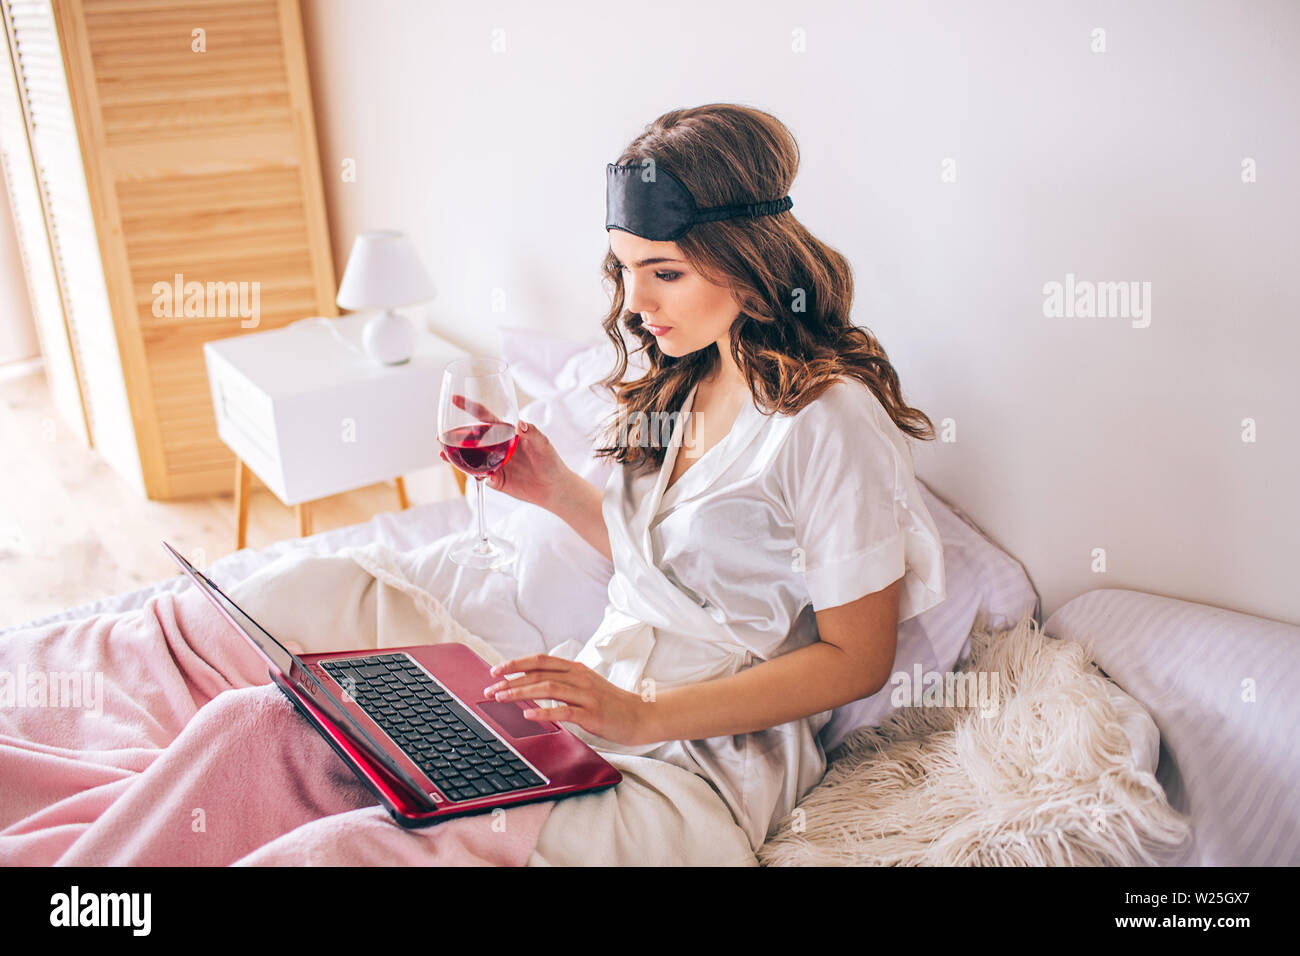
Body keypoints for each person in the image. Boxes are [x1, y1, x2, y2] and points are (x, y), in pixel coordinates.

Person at [446, 103, 948, 853]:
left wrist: (643, 717)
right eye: (625, 269)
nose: (638, 305)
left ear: (750, 260)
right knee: (290, 749)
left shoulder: (828, 419)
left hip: (703, 762)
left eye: (666, 273)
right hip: (594, 709)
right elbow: (675, 580)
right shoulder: (685, 376)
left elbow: (860, 660)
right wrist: (556, 490)